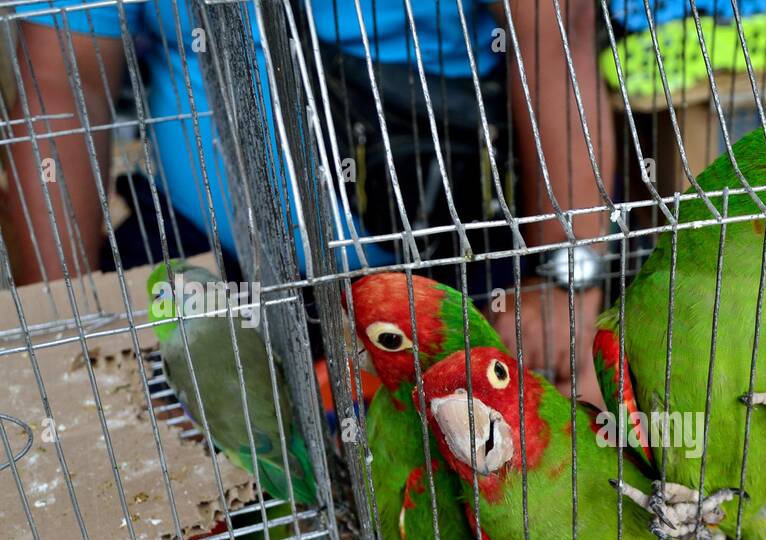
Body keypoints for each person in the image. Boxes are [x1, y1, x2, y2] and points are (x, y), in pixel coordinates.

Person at [1, 0, 611, 398]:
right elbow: (60, 88)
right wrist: (63, 350)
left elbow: (553, 31)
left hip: (450, 259)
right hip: (207, 268)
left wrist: (567, 281)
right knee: (156, 521)